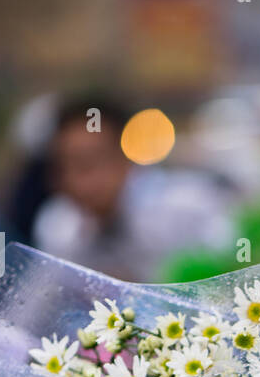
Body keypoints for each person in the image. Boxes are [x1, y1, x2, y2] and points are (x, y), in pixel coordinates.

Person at [32, 97, 234, 282]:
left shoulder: (187, 206)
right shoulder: (58, 227)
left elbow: (231, 270)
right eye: (65, 167)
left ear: (126, 158)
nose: (78, 182)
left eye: (90, 164)